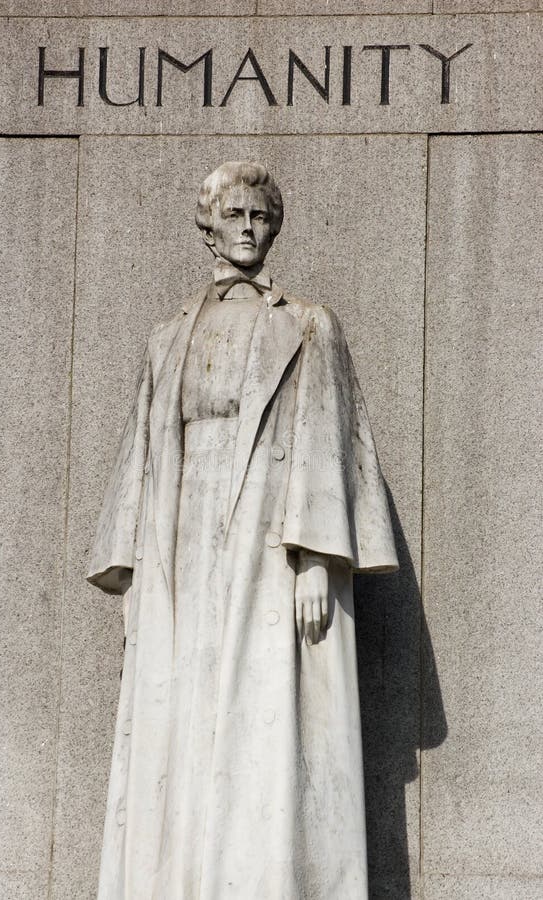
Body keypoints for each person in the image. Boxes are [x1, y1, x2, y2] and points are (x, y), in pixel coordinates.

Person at [87, 161, 398, 899]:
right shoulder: (167, 337)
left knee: (265, 711)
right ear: (209, 227)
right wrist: (131, 570)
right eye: (234, 216)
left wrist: (319, 558)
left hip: (270, 531)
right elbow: (141, 456)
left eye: (259, 217)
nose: (249, 230)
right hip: (181, 534)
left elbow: (329, 437)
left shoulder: (308, 324)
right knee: (181, 717)